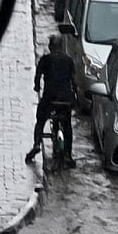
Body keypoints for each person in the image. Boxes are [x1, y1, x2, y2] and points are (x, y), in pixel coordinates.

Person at [25, 34, 78, 166]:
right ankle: (68, 154)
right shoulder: (69, 60)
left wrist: (37, 87)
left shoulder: (45, 59)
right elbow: (74, 81)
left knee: (40, 120)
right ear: (61, 46)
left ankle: (37, 143)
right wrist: (74, 95)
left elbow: (37, 77)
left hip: (50, 98)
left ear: (50, 46)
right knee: (67, 126)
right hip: (65, 99)